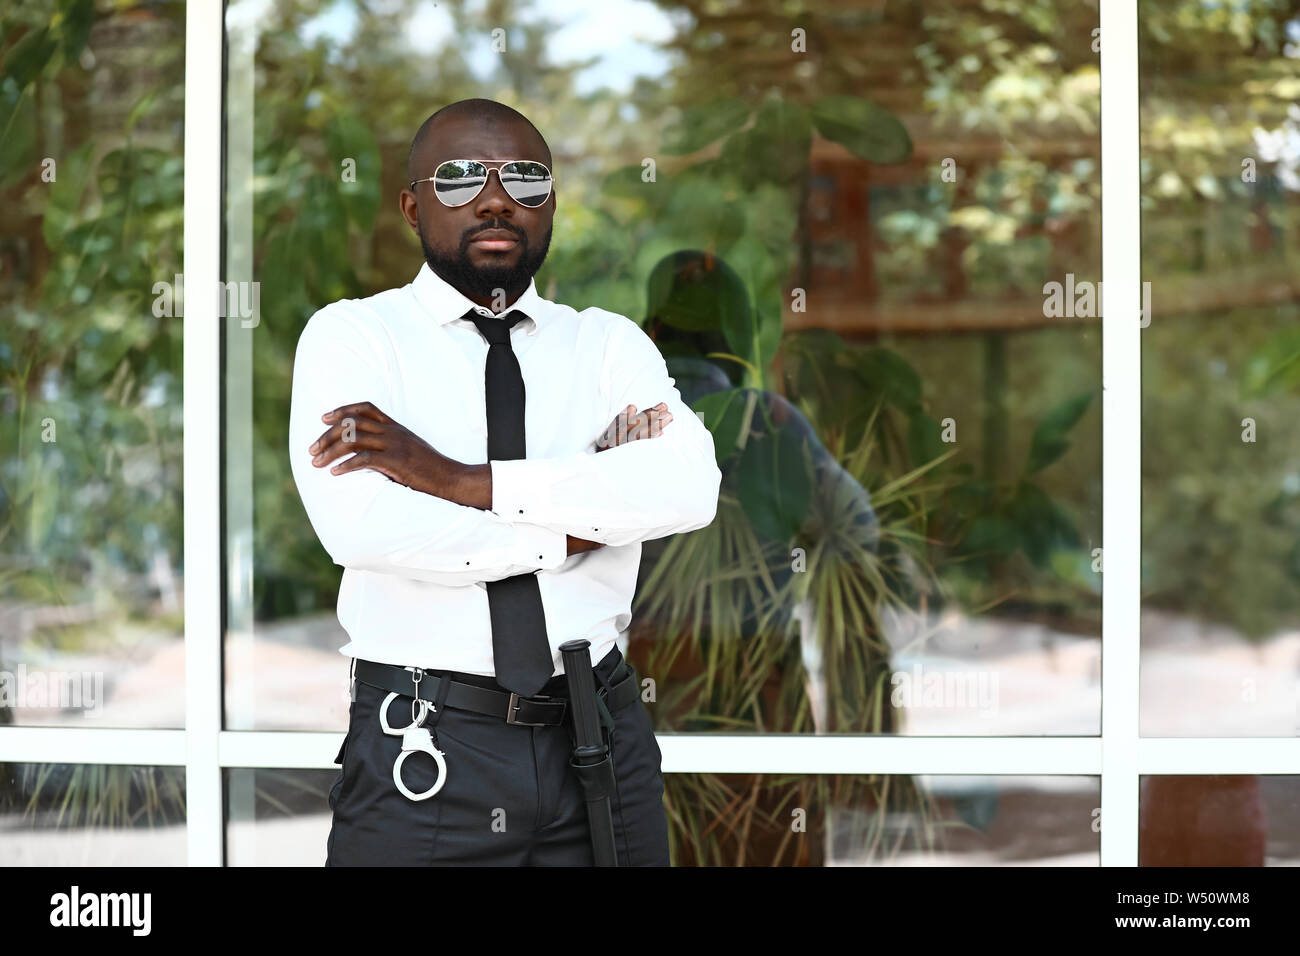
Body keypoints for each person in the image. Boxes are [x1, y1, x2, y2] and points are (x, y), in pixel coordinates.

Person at [287, 98, 722, 866]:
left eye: (524, 177)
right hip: (424, 745)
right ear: (412, 206)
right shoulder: (355, 338)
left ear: (551, 201)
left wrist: (454, 478)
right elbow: (364, 528)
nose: (494, 198)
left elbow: (687, 487)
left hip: (600, 739)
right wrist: (589, 519)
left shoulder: (605, 345)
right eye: (457, 178)